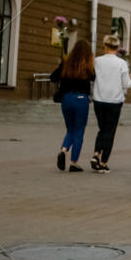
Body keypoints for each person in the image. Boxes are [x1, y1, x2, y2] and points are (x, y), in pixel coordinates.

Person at [50, 39, 96, 173]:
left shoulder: (66, 62)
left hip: (66, 99)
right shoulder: (87, 65)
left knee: (70, 129)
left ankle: (63, 151)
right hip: (81, 99)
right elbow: (94, 78)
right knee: (79, 131)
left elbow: (53, 77)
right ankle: (74, 162)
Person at [90, 34, 131, 173]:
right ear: (117, 48)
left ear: (105, 46)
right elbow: (127, 84)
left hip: (99, 100)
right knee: (110, 131)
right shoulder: (121, 63)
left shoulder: (97, 61)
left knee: (102, 129)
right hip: (114, 101)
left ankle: (96, 154)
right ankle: (103, 162)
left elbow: (92, 77)